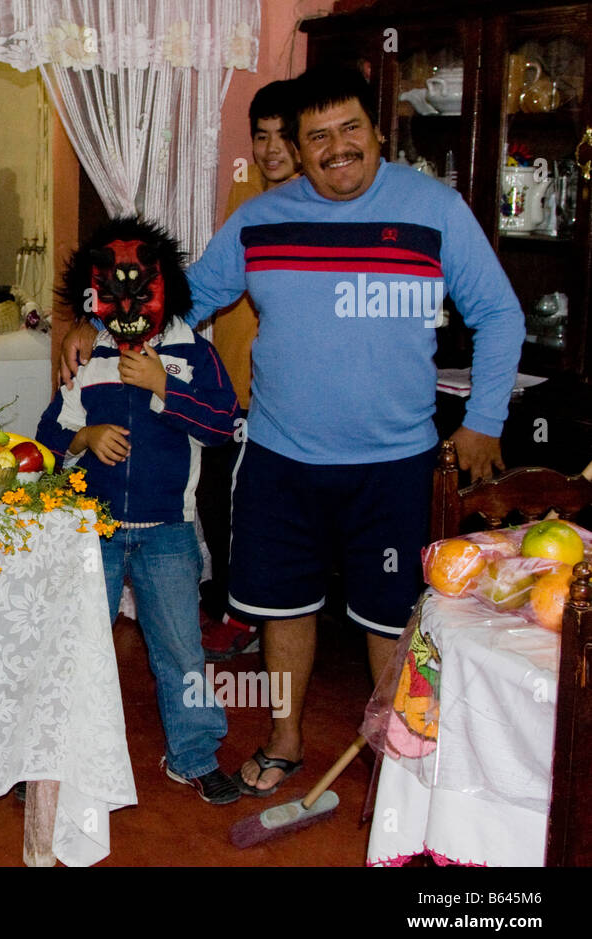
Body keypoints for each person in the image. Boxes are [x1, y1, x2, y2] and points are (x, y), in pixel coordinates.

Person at [59, 65, 524, 797]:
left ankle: (394, 758)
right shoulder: (260, 220)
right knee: (283, 608)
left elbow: (499, 313)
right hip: (279, 456)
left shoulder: (436, 209)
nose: (338, 149)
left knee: (388, 619)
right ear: (299, 152)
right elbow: (188, 299)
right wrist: (100, 326)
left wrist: (483, 420)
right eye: (319, 138)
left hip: (394, 462)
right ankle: (284, 740)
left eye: (350, 130)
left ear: (378, 131)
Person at [37, 218, 244, 804]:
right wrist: (84, 438)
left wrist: (163, 386)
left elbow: (222, 426)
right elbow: (50, 435)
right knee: (78, 643)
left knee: (181, 648)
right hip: (94, 531)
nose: (125, 304)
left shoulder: (193, 353)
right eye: (111, 291)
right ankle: (56, 760)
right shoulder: (87, 354)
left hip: (169, 534)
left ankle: (195, 754)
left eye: (140, 289)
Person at [199, 79, 301, 661]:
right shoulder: (249, 205)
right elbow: (203, 290)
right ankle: (234, 607)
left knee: (251, 510)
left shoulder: (323, 212)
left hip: (273, 402)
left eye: (283, 136)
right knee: (219, 497)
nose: (270, 149)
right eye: (260, 137)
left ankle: (246, 616)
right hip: (228, 386)